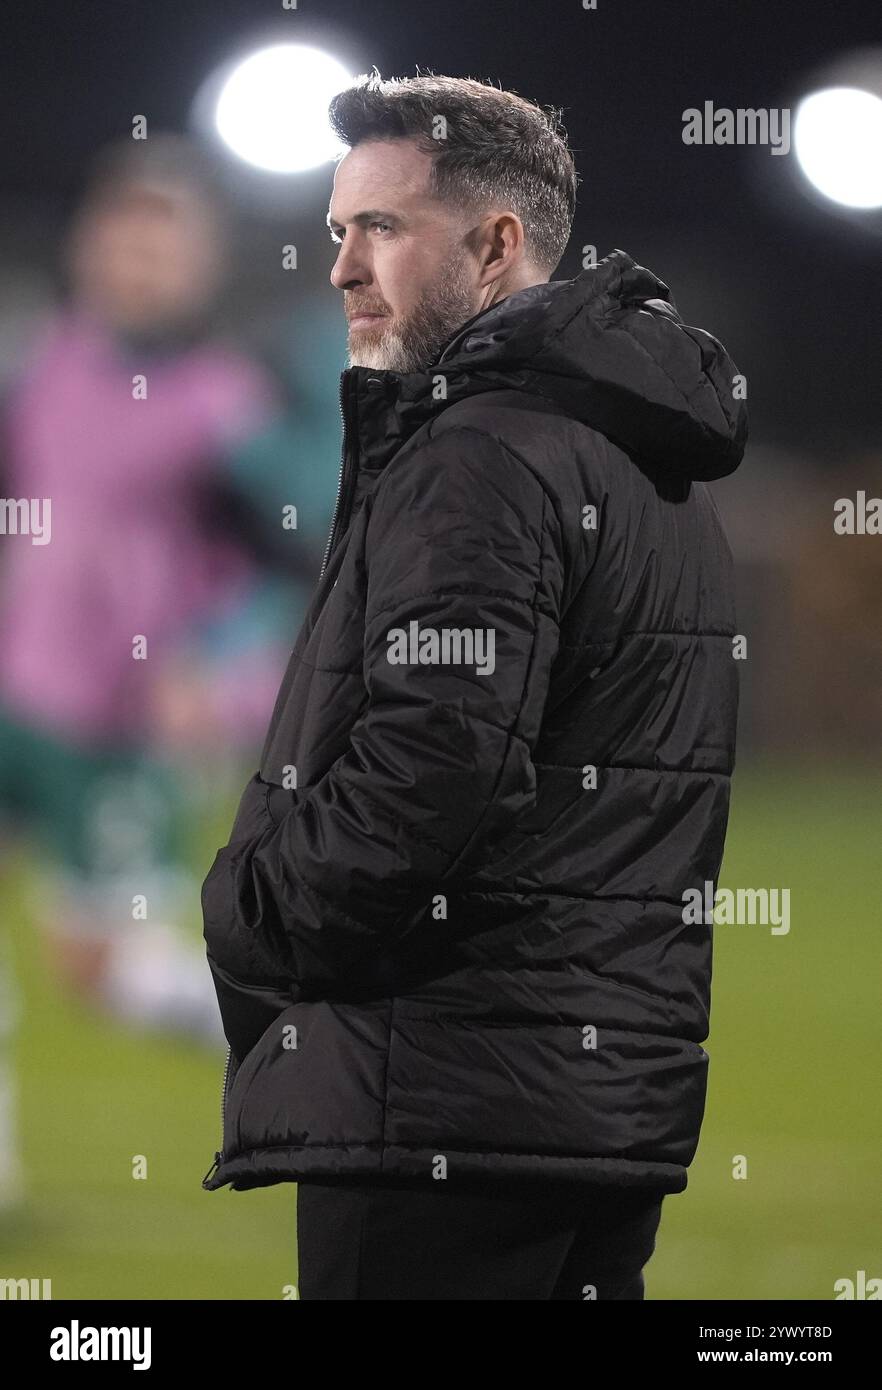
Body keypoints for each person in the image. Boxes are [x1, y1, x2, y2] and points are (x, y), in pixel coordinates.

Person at [201, 72, 748, 1301]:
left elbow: (435, 767)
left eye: (380, 227)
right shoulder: (641, 455)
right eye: (338, 229)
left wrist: (254, 909)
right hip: (591, 1111)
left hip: (440, 1098)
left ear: (498, 245)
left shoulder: (483, 453)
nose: (341, 267)